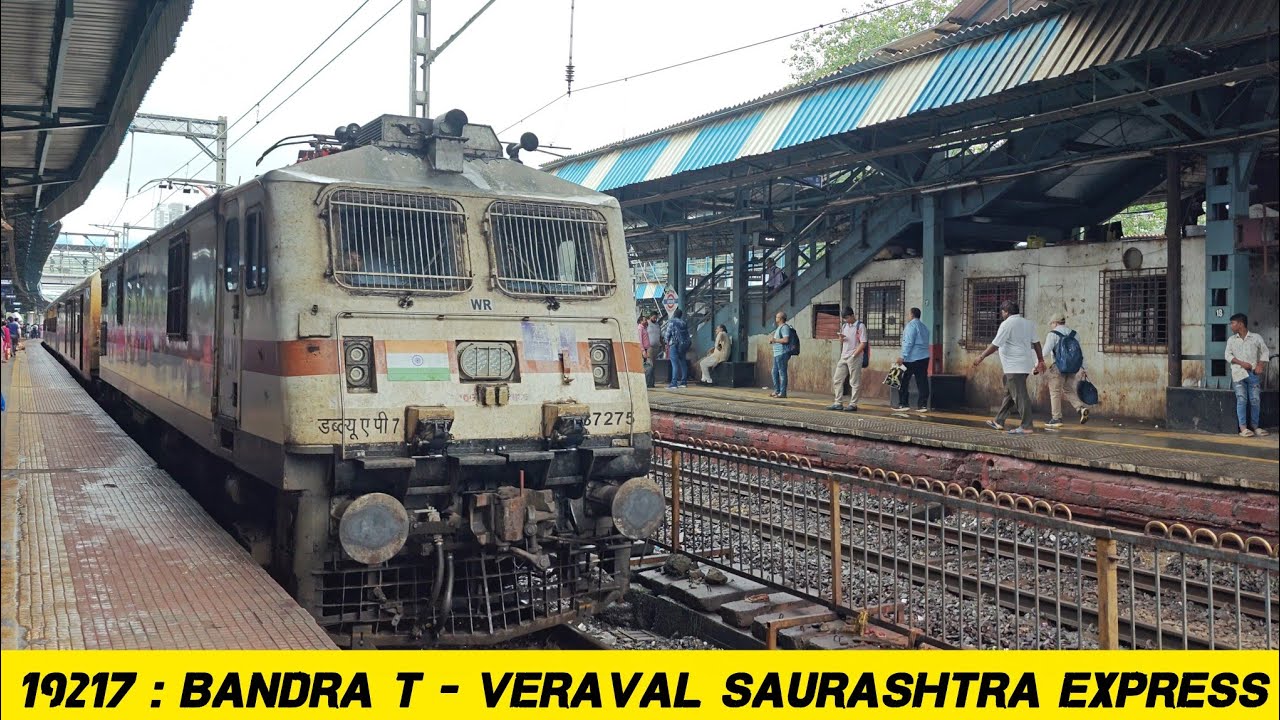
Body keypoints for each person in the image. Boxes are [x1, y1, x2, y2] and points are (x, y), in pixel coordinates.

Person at [972, 300, 1045, 435]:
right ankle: (999, 421)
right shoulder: (1028, 323)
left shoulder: (1007, 324)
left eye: (1002, 312)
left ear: (1006, 312)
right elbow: (1037, 343)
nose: (1002, 314)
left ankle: (1026, 426)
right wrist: (1040, 360)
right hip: (1024, 364)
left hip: (1014, 366)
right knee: (1010, 393)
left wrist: (981, 357)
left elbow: (995, 344)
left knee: (1020, 396)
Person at [1226, 312, 1270, 437]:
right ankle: (1243, 428)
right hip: (1238, 374)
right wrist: (1241, 363)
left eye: (1232, 323)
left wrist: (1261, 365)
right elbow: (1227, 355)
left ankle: (1255, 427)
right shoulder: (1231, 340)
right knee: (1242, 400)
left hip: (1253, 374)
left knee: (1255, 400)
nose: (1231, 326)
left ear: (1240, 324)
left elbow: (1264, 351)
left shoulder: (1256, 338)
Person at [1043, 313, 1091, 427]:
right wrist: (1084, 367)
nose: (1051, 326)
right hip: (1072, 367)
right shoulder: (1074, 334)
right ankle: (1081, 408)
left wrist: (1036, 364)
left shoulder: (1052, 334)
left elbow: (1045, 351)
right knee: (1068, 388)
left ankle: (1056, 418)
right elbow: (1080, 353)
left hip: (1058, 367)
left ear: (1055, 322)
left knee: (1055, 391)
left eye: (1051, 324)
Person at [894, 307, 931, 413]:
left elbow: (908, 342)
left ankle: (903, 404)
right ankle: (922, 405)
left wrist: (902, 356)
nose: (907, 316)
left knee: (902, 381)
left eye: (908, 314)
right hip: (924, 358)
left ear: (912, 315)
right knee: (922, 381)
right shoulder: (924, 327)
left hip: (911, 359)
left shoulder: (910, 326)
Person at [829, 307, 867, 411]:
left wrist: (854, 355)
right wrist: (841, 338)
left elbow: (863, 343)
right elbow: (843, 341)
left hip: (855, 356)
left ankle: (853, 404)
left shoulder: (860, 326)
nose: (846, 320)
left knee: (854, 381)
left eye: (847, 318)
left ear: (852, 315)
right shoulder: (845, 326)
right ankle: (838, 402)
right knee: (837, 379)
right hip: (843, 356)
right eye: (844, 319)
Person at [767, 311, 794, 398]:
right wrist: (773, 340)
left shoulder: (784, 327)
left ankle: (783, 393)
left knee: (782, 373)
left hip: (782, 353)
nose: (776, 319)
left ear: (781, 319)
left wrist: (775, 340)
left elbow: (786, 340)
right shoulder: (779, 328)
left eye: (777, 317)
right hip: (777, 353)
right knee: (774, 372)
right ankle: (777, 390)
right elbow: (779, 339)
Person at [663, 308, 691, 389]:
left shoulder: (672, 322)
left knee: (674, 364)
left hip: (674, 345)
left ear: (674, 314)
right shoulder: (683, 323)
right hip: (683, 345)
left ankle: (674, 383)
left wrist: (666, 342)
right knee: (683, 363)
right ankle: (683, 382)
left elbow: (667, 334)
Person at [638, 314, 653, 387]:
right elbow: (640, 340)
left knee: (647, 366)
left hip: (647, 349)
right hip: (643, 350)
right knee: (645, 366)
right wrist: (643, 351)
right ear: (641, 321)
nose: (646, 321)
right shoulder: (640, 329)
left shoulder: (644, 328)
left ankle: (649, 382)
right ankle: (645, 383)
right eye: (644, 320)